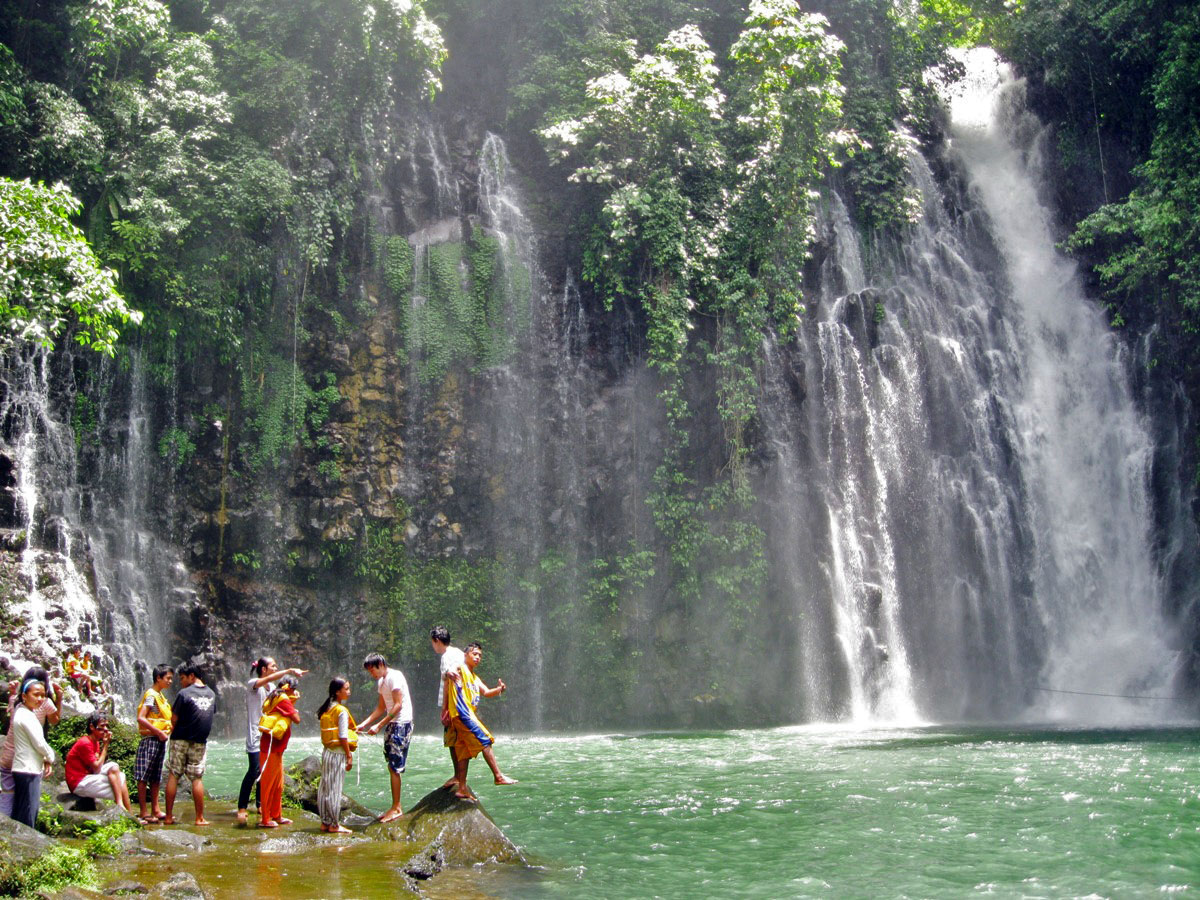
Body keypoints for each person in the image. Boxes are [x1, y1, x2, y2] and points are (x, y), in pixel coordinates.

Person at [239, 657, 307, 825]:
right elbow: (295, 718)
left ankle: (273, 814)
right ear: (263, 669)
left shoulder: (273, 692)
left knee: (276, 783)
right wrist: (289, 671)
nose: (276, 668)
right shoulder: (255, 683)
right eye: (273, 666)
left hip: (274, 744)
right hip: (260, 739)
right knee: (259, 775)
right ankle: (255, 813)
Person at [447, 641, 517, 800]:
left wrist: (499, 690)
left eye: (480, 655)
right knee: (485, 740)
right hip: (462, 713)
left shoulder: (474, 677)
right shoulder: (460, 667)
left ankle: (462, 788)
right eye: (474, 654)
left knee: (463, 751)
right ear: (466, 655)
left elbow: (486, 692)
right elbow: (451, 669)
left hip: (462, 715)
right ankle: (498, 776)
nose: (478, 657)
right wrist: (450, 672)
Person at [359, 653, 413, 822]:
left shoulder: (395, 677)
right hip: (392, 723)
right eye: (369, 672)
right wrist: (365, 723)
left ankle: (397, 807)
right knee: (391, 764)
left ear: (381, 664)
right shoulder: (381, 682)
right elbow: (381, 707)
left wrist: (379, 725)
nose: (372, 674)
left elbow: (398, 705)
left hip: (401, 723)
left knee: (395, 766)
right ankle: (395, 805)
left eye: (373, 670)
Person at [1, 666, 62, 817]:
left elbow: (10, 720)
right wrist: (59, 698)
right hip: (28, 758)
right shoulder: (45, 703)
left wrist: (12, 694)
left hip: (10, 753)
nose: (39, 696)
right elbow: (54, 721)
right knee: (27, 803)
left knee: (7, 796)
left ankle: (5, 830)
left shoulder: (17, 701)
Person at [164, 663, 215, 826]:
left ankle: (169, 817)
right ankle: (199, 818)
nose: (181, 682)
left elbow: (174, 718)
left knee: (174, 774)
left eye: (183, 678)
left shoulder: (184, 694)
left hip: (179, 739)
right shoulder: (211, 694)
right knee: (197, 778)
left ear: (192, 676)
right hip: (199, 742)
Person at [9, 678, 55, 828]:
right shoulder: (25, 715)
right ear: (24, 696)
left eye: (43, 695)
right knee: (27, 816)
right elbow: (39, 743)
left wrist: (45, 759)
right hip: (27, 770)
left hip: (26, 769)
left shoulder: (24, 713)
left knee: (23, 813)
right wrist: (50, 757)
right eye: (36, 694)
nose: (40, 699)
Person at [65, 711, 132, 813]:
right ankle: (121, 806)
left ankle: (128, 812)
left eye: (106, 726)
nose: (105, 729)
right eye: (102, 726)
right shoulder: (85, 742)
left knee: (120, 775)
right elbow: (96, 767)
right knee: (117, 776)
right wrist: (105, 746)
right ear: (92, 727)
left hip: (88, 776)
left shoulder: (95, 742)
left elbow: (95, 768)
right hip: (78, 782)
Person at [257, 675, 301, 829]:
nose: (295, 692)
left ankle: (277, 814)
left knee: (278, 784)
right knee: (268, 784)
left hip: (276, 748)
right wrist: (293, 703)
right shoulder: (283, 699)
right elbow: (296, 718)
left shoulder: (274, 696)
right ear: (289, 688)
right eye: (294, 689)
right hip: (270, 749)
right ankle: (265, 819)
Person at [134, 664, 174, 823]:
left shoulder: (161, 696)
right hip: (150, 739)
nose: (170, 681)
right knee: (144, 775)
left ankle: (155, 809)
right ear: (158, 678)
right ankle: (144, 812)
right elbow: (141, 717)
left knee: (156, 776)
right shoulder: (151, 695)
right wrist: (158, 732)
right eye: (168, 678)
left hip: (159, 739)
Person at [317, 677, 356, 833]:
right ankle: (334, 824)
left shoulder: (326, 708)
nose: (349, 692)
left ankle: (325, 822)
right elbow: (343, 736)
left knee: (325, 787)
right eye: (346, 689)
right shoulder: (340, 711)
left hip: (327, 753)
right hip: (338, 754)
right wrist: (349, 755)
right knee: (335, 789)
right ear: (337, 692)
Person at [430, 625, 465, 789]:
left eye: (432, 643)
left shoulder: (446, 657)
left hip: (452, 704)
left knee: (452, 741)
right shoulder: (459, 653)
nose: (433, 646)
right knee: (459, 740)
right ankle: (460, 776)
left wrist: (444, 709)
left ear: (437, 641)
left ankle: (457, 776)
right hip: (462, 702)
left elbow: (447, 683)